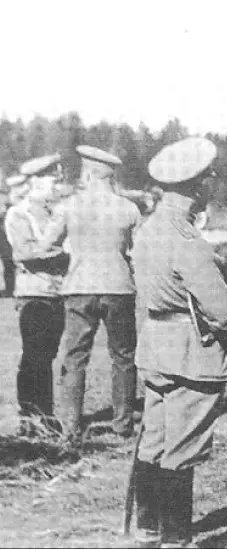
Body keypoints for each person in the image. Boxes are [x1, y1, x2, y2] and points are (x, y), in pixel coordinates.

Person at [130, 136, 227, 548]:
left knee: (155, 443)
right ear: (197, 185)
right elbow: (225, 311)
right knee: (181, 450)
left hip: (155, 347)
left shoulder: (148, 229)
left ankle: (147, 532)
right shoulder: (187, 240)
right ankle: (175, 540)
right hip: (190, 355)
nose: (212, 183)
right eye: (208, 178)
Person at [38, 145, 142, 442]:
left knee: (75, 357)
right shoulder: (128, 208)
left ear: (89, 173)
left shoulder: (69, 206)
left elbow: (46, 245)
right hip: (119, 288)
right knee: (123, 356)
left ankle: (70, 426)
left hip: (79, 289)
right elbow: (141, 250)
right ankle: (123, 424)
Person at [4, 155, 69, 436]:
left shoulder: (56, 213)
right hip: (33, 294)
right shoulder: (19, 214)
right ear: (36, 181)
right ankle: (36, 415)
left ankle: (37, 413)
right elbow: (24, 252)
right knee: (36, 355)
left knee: (46, 354)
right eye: (52, 180)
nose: (57, 185)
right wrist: (63, 254)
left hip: (56, 294)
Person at [0, 174, 29, 297]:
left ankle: (10, 289)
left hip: (3, 229)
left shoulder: (6, 196)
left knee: (8, 260)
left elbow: (8, 210)